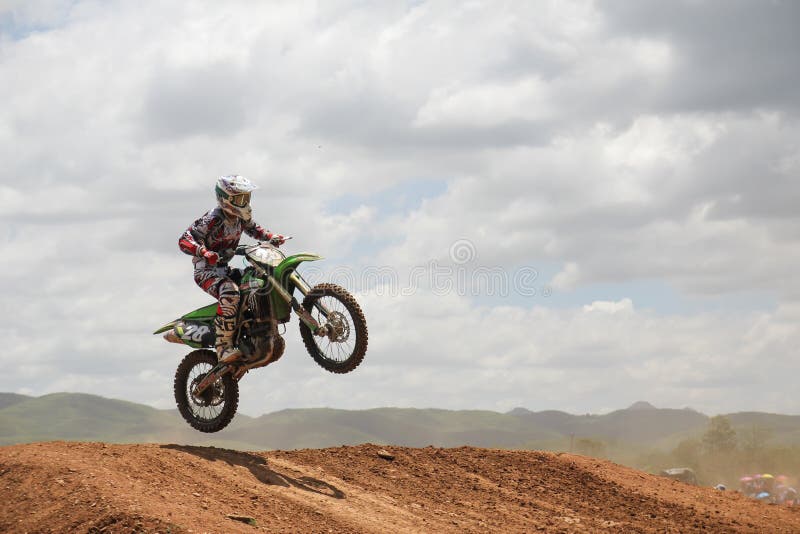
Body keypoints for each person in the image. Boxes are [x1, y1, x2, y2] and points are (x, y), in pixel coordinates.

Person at [179, 175, 285, 363]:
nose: (245, 202)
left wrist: (272, 237)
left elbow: (254, 229)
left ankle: (255, 328)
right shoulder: (213, 218)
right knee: (230, 292)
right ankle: (223, 346)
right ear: (225, 199)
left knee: (258, 280)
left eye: (246, 197)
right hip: (206, 272)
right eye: (240, 198)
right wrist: (204, 252)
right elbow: (185, 239)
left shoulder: (240, 218)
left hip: (225, 269)